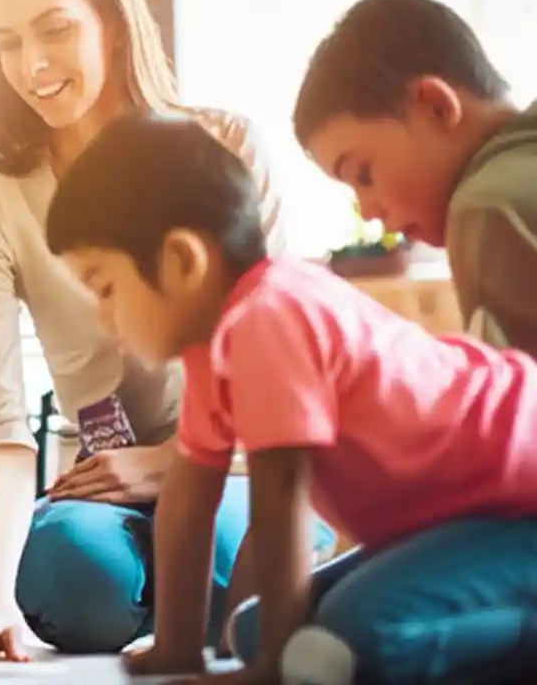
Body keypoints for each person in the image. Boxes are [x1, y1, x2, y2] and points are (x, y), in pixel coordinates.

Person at [0, 0, 327, 661]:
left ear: (113, 21)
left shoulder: (225, 149)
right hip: (101, 488)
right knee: (72, 576)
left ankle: (206, 607)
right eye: (7, 42)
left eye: (55, 30)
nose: (33, 64)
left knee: (239, 565)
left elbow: (277, 369)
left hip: (240, 465)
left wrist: (166, 463)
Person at [46, 113, 537, 685]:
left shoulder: (270, 316)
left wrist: (275, 670)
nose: (106, 321)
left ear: (182, 261)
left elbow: (279, 488)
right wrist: (178, 649)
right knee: (254, 630)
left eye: (105, 289)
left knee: (348, 641)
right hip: (460, 525)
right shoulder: (214, 348)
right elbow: (189, 490)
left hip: (519, 507)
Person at [295, 0, 537, 357]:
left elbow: (520, 410)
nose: (368, 211)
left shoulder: (486, 212)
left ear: (437, 107)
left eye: (364, 175)